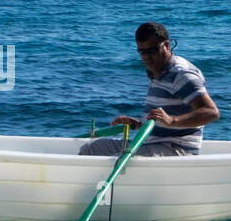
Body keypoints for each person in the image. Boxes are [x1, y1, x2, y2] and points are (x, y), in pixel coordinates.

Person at [80, 22, 220, 156]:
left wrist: (172, 121)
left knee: (117, 159)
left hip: (175, 149)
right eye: (142, 52)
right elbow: (162, 120)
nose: (146, 57)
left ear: (166, 45)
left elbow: (211, 112)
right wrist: (139, 124)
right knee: (90, 149)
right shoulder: (157, 71)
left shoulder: (181, 75)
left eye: (152, 51)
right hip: (149, 143)